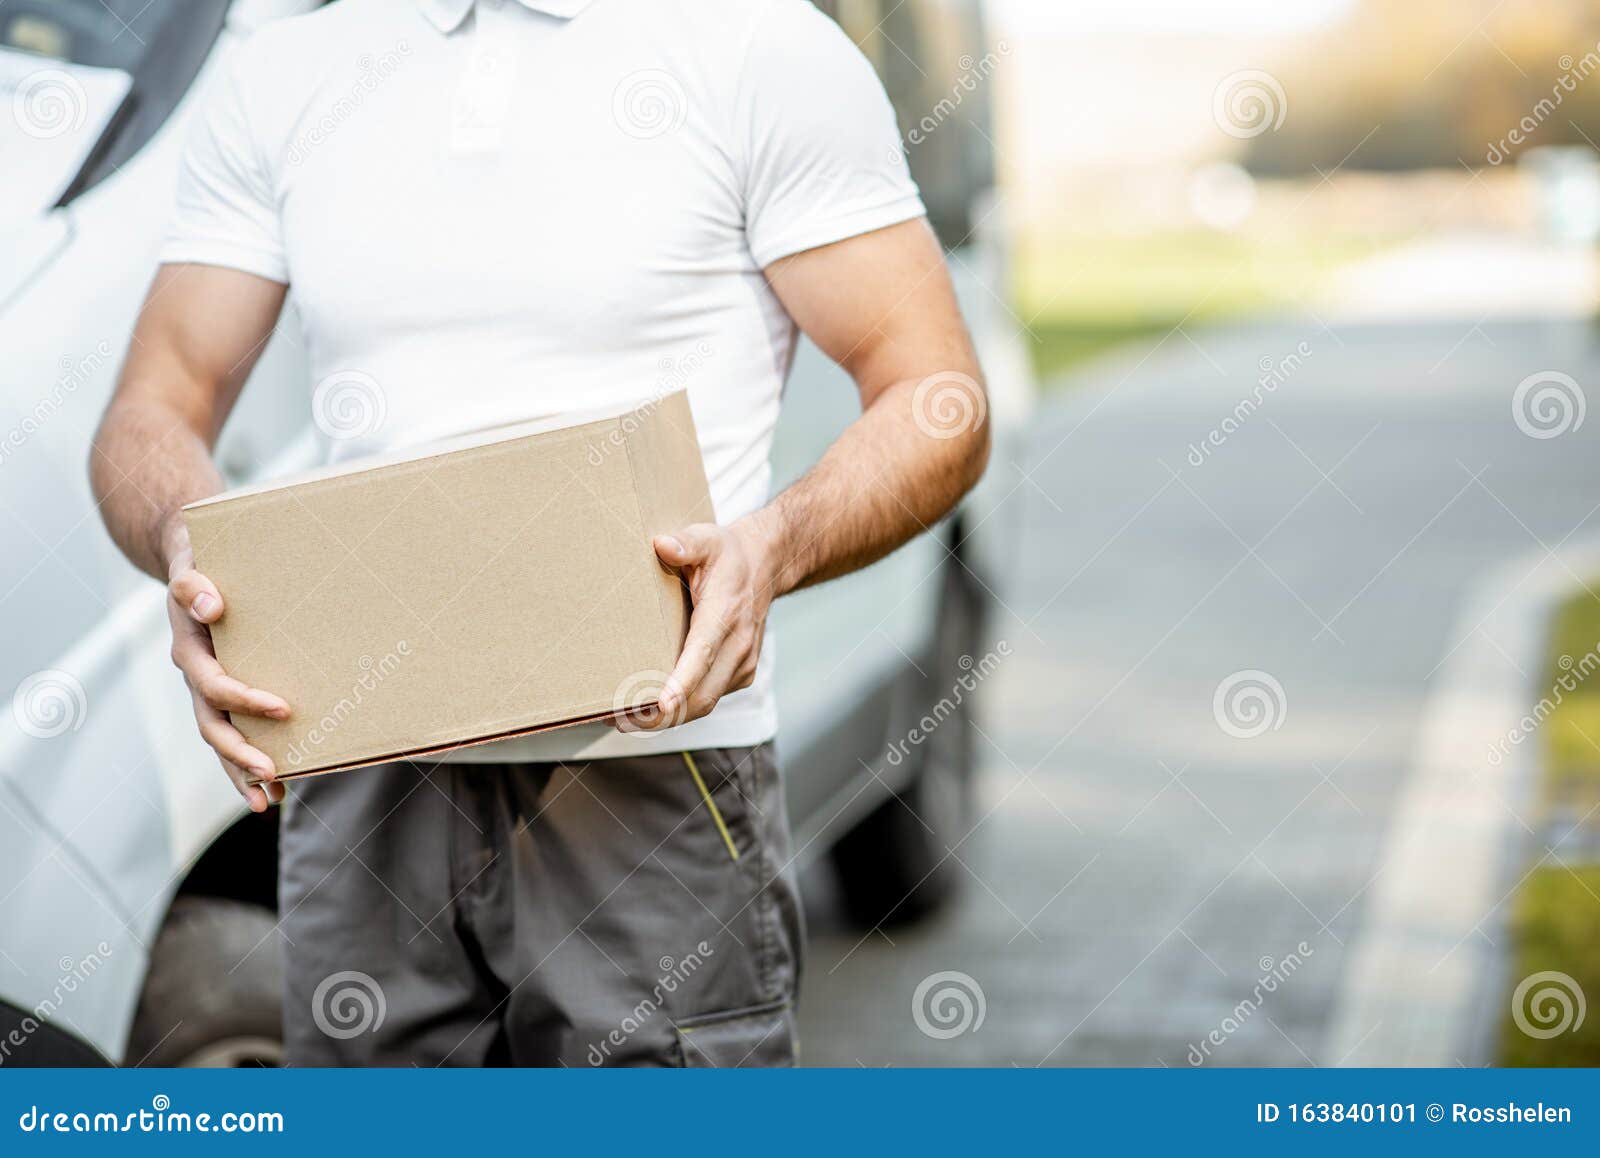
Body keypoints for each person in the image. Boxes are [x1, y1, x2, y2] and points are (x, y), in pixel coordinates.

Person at [90, 0, 988, 1066]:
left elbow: (936, 395)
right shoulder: (287, 64)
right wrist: (197, 559)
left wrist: (775, 546)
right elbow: (153, 407)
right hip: (365, 765)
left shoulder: (758, 44)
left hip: (651, 760)